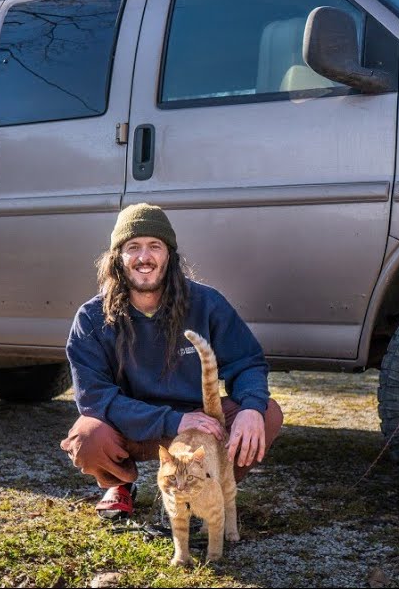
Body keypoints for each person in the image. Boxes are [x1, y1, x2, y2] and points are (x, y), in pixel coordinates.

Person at [59, 203, 284, 520]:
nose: (144, 257)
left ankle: (206, 490)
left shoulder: (206, 303)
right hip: (130, 426)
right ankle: (120, 485)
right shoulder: (92, 317)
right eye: (133, 247)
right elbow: (94, 398)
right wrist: (174, 420)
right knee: (87, 437)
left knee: (266, 413)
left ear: (169, 255)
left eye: (155, 246)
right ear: (117, 257)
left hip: (197, 428)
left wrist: (250, 406)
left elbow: (247, 361)